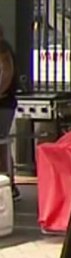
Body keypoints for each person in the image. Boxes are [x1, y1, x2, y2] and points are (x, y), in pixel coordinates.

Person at [0, 26, 17, 201]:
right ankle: (8, 184)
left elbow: (7, 72)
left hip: (3, 104)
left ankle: (8, 185)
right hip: (5, 103)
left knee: (1, 144)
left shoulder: (3, 49)